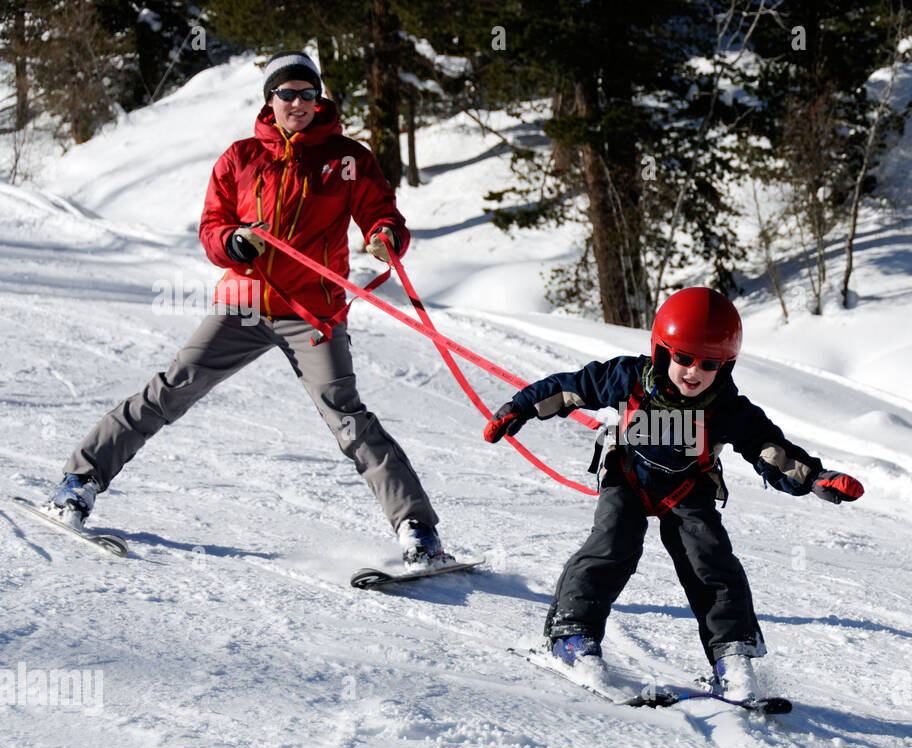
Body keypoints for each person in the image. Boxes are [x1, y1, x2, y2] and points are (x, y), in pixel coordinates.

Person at [43, 51, 449, 567]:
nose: (298, 103)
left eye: (307, 93)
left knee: (348, 419)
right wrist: (233, 242)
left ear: (318, 99)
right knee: (173, 388)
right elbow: (212, 227)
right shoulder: (240, 157)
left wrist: (384, 235)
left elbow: (380, 211)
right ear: (270, 100)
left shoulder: (348, 158)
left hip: (313, 313)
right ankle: (78, 483)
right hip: (245, 303)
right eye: (287, 94)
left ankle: (418, 529)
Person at [483, 287, 864, 699]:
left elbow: (769, 448)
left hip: (687, 488)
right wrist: (518, 408)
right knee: (612, 544)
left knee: (711, 559)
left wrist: (814, 478)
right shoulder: (627, 376)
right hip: (627, 475)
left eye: (709, 363)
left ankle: (731, 656)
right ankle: (571, 636)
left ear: (726, 365)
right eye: (682, 358)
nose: (693, 372)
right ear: (663, 351)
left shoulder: (727, 406)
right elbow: (567, 388)